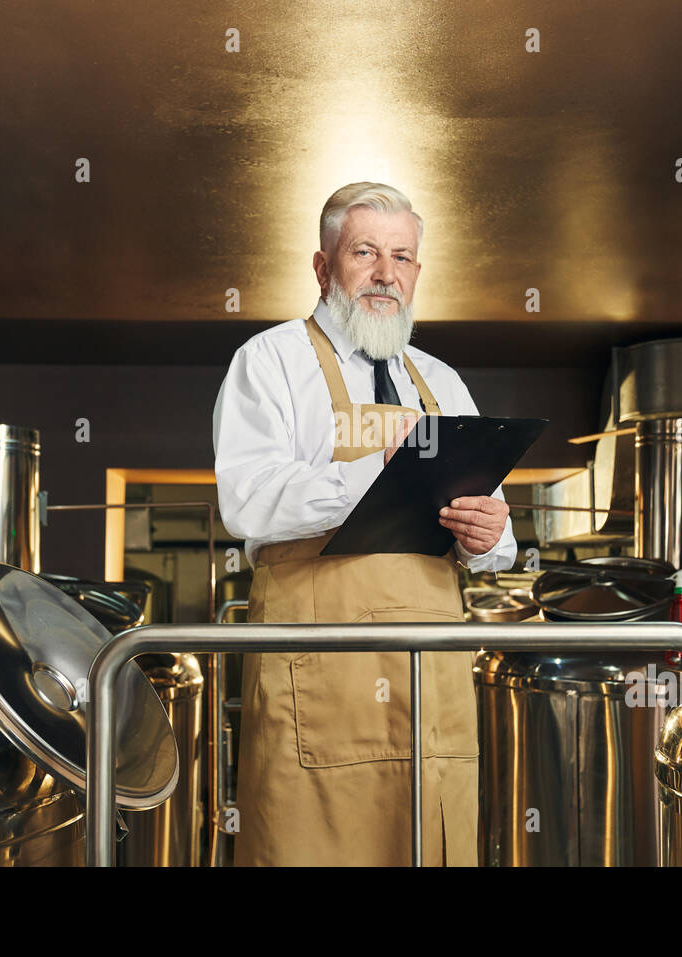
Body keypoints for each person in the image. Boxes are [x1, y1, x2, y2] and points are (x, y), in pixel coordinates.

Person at [212, 181, 516, 865]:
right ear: (323, 268)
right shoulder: (270, 362)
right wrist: (371, 471)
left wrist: (493, 534)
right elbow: (247, 500)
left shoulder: (443, 380)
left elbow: (500, 535)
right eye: (366, 252)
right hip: (319, 678)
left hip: (428, 675)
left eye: (403, 257)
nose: (387, 274)